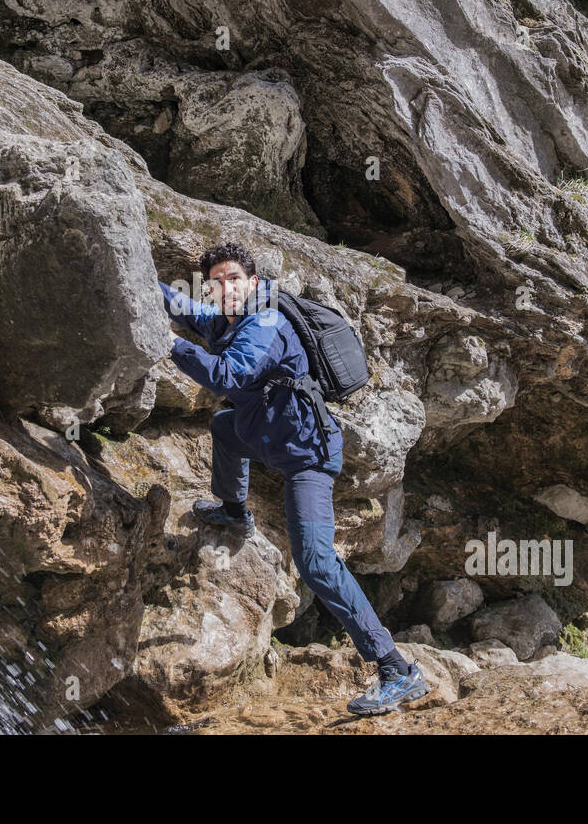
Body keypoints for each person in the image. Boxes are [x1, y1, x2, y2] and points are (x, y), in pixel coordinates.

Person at [158, 241, 429, 715]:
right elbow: (181, 306)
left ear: (254, 283)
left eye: (234, 280)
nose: (226, 289)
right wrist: (140, 279)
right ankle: (234, 511)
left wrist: (169, 344)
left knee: (316, 562)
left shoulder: (264, 323)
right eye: (217, 282)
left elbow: (226, 375)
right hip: (264, 439)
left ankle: (396, 669)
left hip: (308, 457)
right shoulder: (222, 317)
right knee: (223, 426)